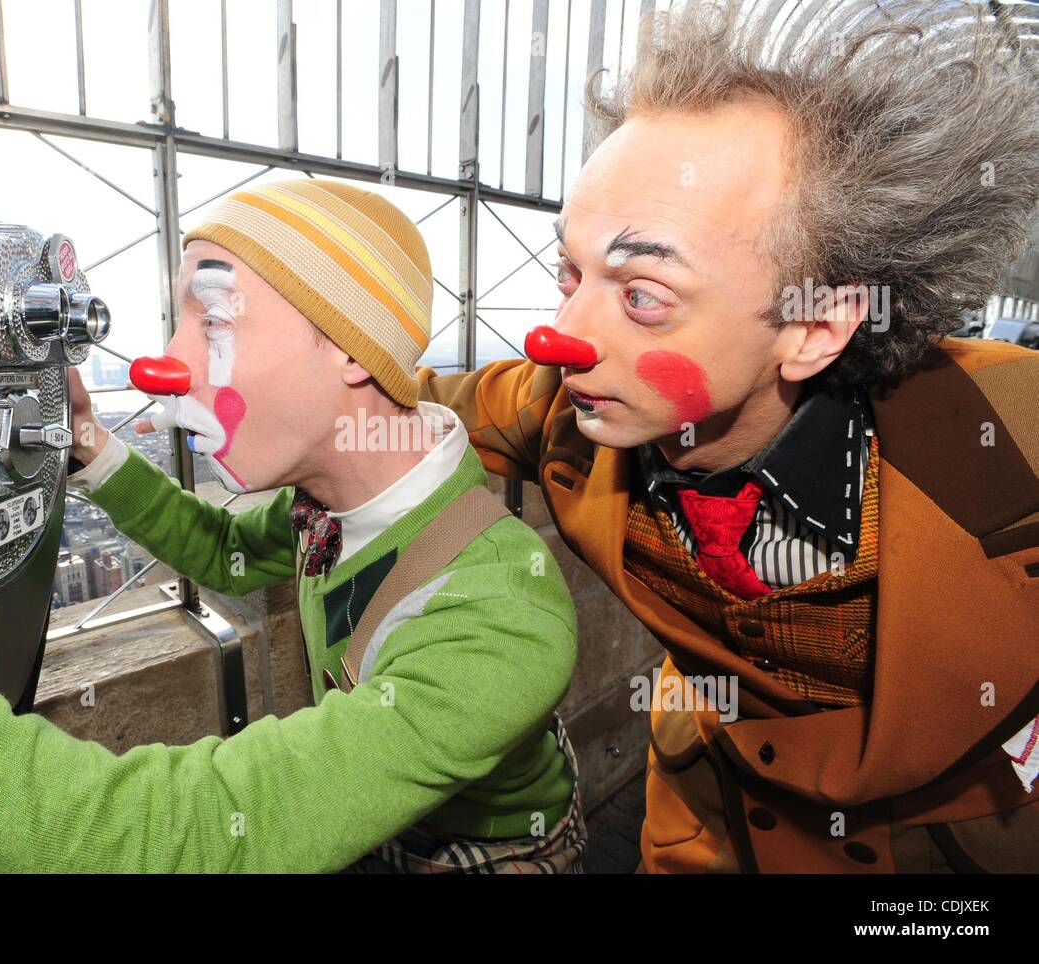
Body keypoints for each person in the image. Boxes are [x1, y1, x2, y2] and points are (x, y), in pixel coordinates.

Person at [0, 179, 582, 873]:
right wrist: (86, 444)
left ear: (353, 347)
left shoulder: (502, 608)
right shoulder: (326, 505)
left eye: (211, 319)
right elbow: (219, 547)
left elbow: (194, 827)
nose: (165, 365)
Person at [418, 0, 1039, 872]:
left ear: (817, 325)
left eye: (642, 294)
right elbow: (429, 400)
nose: (559, 336)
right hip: (716, 823)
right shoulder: (563, 412)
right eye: (571, 270)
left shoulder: (1012, 434)